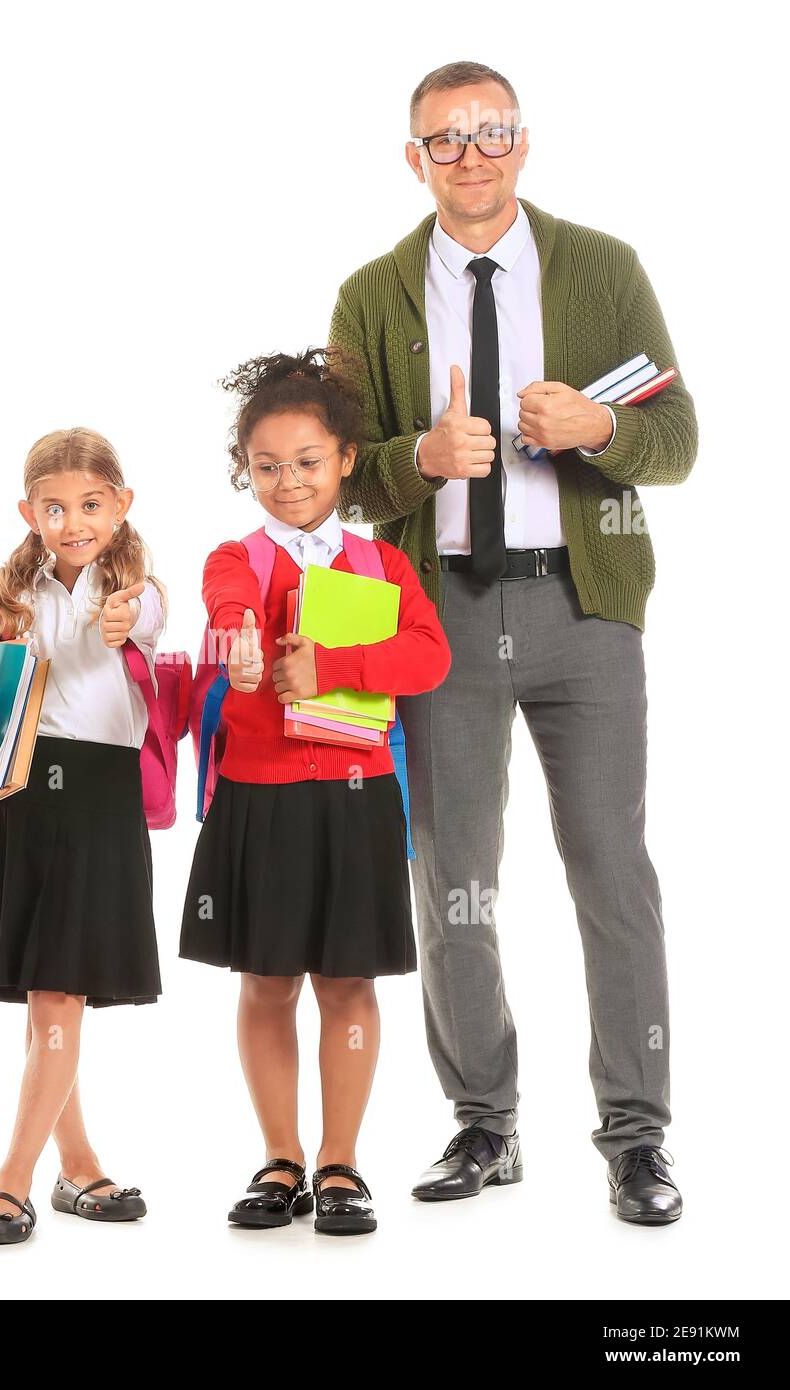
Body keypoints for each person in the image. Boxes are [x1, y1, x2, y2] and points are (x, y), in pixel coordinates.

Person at [328, 60, 697, 1224]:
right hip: (434, 613)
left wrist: (599, 429)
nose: (470, 155)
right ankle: (484, 1122)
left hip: (584, 609)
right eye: (445, 139)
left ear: (522, 143)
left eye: (489, 133)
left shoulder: (601, 269)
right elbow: (336, 483)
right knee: (455, 880)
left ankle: (635, 1138)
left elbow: (677, 438)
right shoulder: (373, 293)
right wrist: (417, 462)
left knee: (611, 873)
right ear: (414, 159)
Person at [180, 350, 450, 1235]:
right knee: (265, 983)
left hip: (356, 791)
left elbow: (429, 656)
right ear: (243, 471)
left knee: (347, 984)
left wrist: (327, 663)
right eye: (265, 467)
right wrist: (241, 641)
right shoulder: (238, 558)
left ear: (343, 458)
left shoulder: (381, 561)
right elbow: (226, 613)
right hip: (258, 796)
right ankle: (279, 1160)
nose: (287, 482)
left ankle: (339, 1165)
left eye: (306, 462)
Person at [0, 427, 165, 1245]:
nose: (74, 521)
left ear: (122, 505)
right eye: (55, 508)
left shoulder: (142, 590)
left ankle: (13, 1180)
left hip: (100, 800)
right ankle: (77, 1165)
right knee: (52, 989)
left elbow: (140, 620)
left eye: (92, 504)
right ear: (28, 513)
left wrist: (122, 616)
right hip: (29, 796)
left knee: (59, 991)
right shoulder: (12, 598)